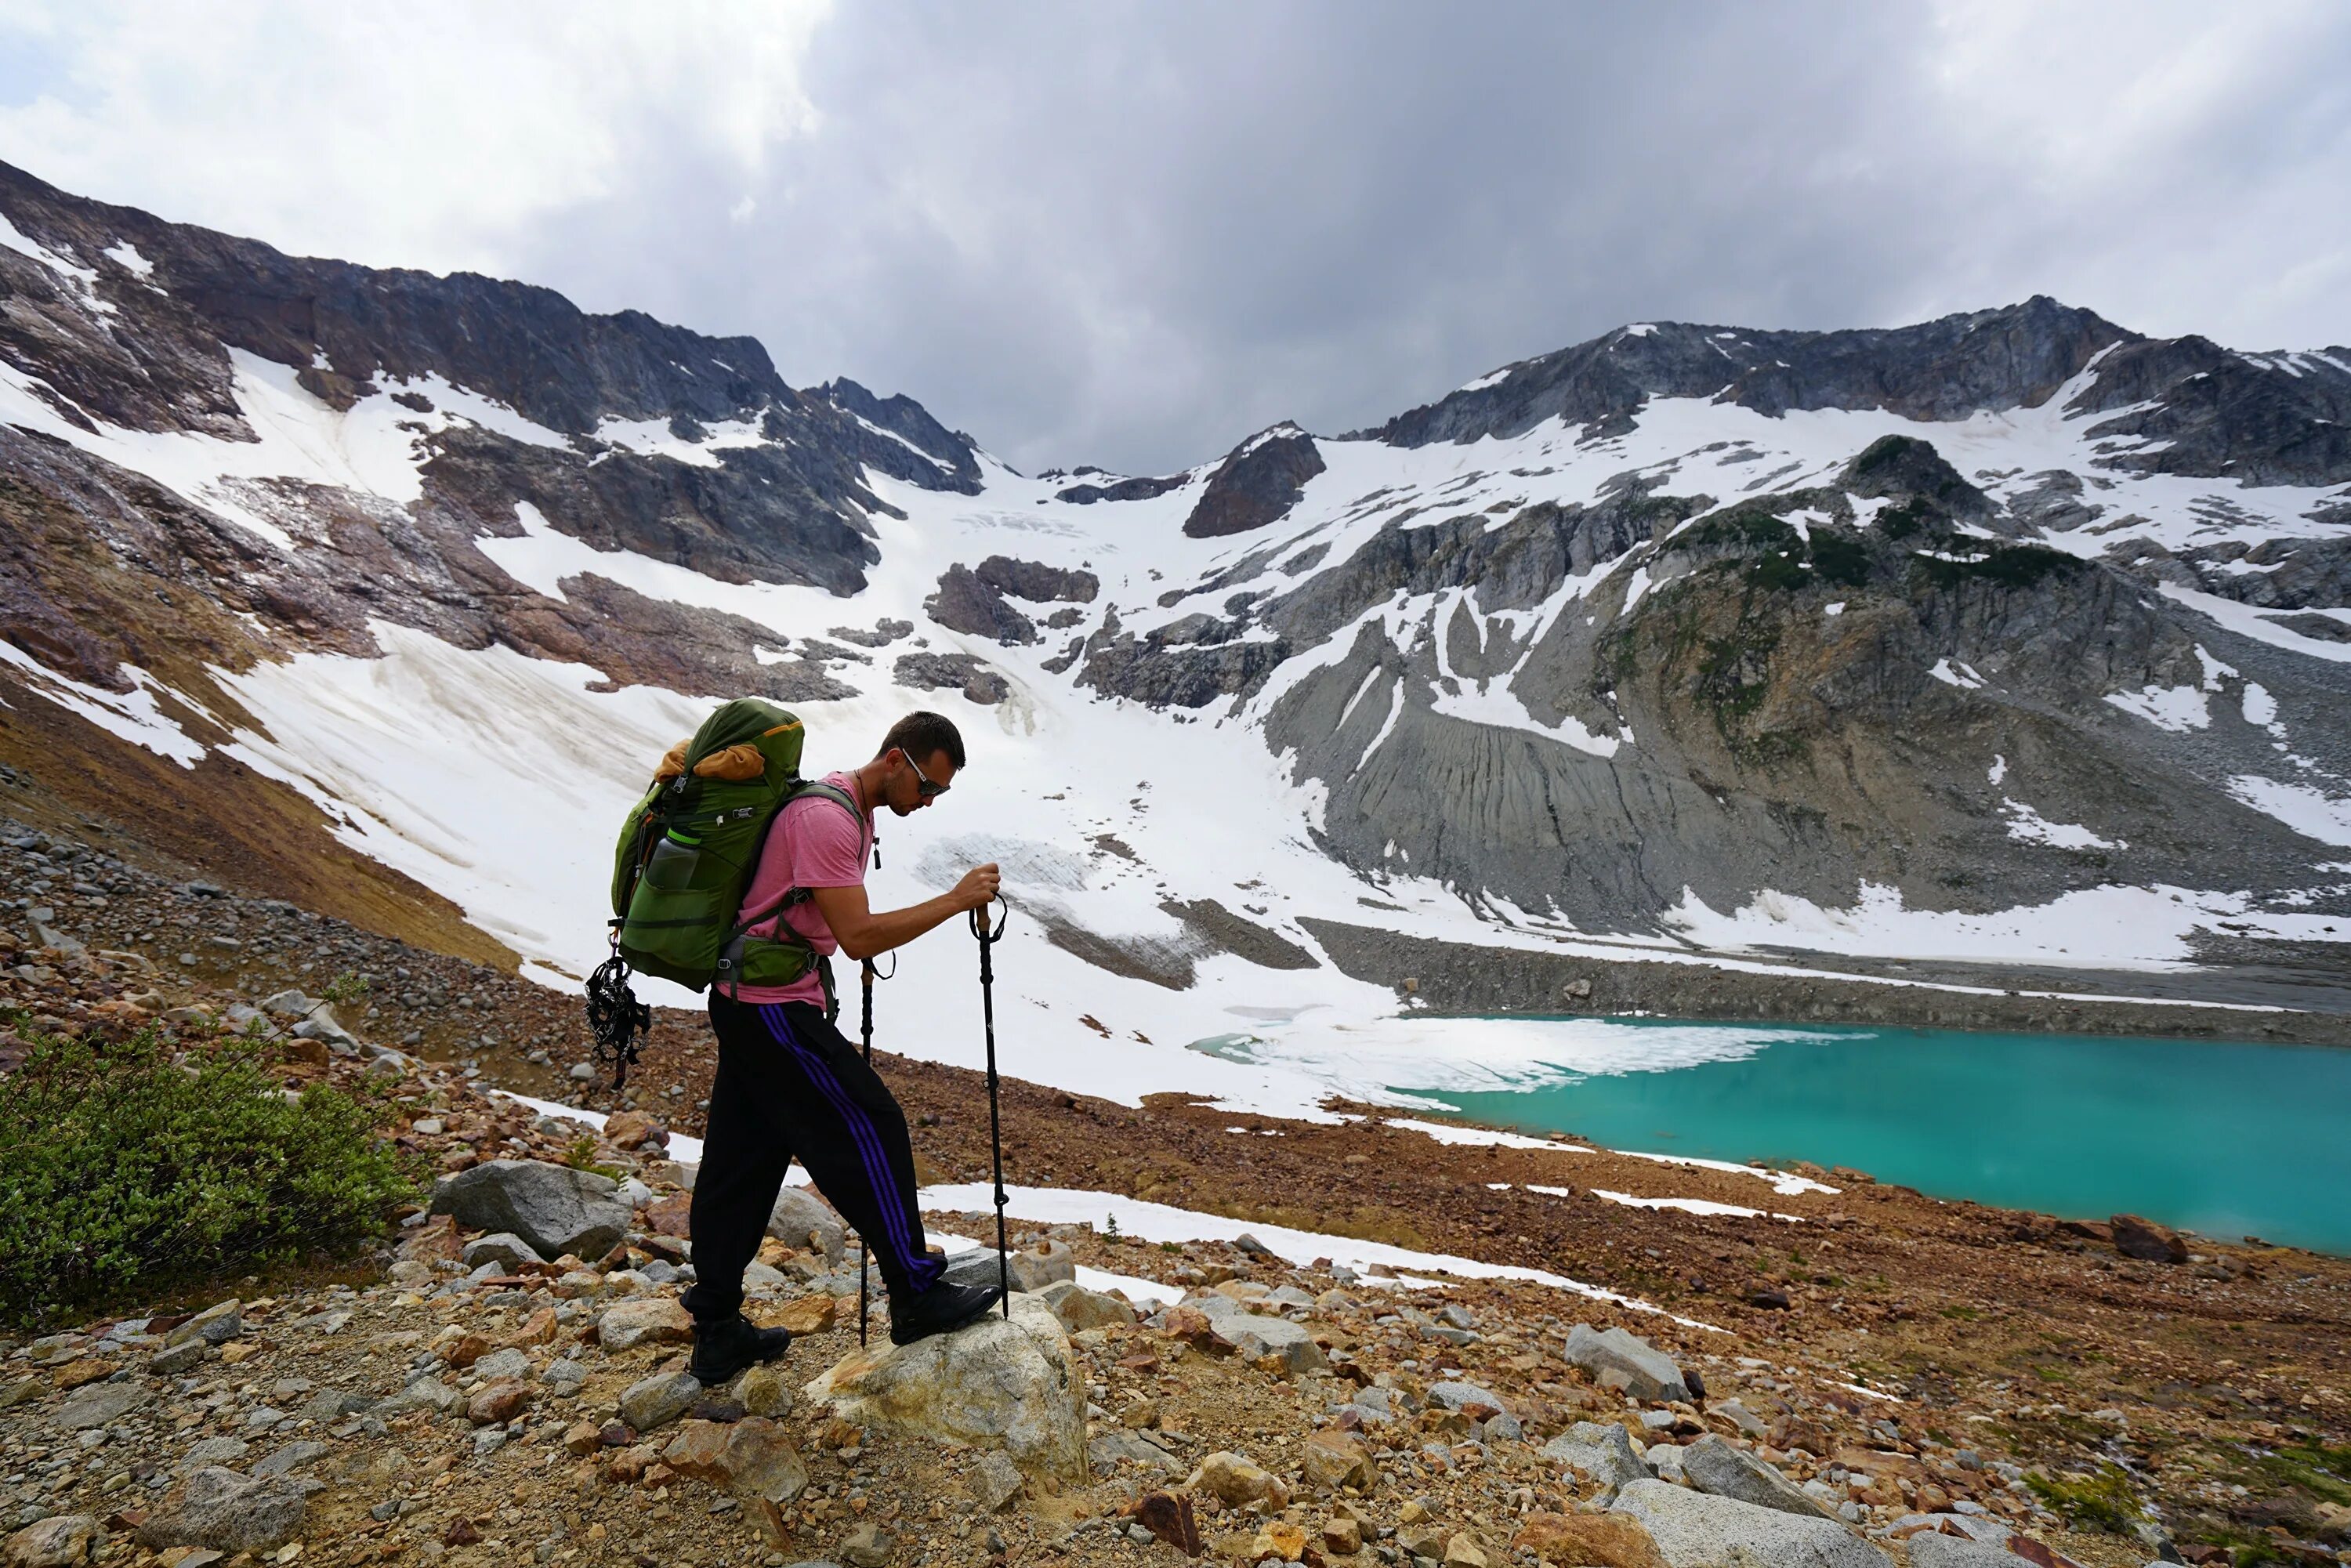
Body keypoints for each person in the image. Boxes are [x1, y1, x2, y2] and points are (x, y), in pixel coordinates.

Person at [679, 709, 1003, 1383]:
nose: (929, 802)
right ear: (894, 760)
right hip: (770, 1008)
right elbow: (858, 934)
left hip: (753, 998)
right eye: (927, 786)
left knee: (743, 1160)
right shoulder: (829, 817)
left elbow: (816, 914)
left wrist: (820, 943)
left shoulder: (847, 808)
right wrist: (954, 899)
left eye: (939, 793)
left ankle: (716, 1331)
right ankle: (914, 1292)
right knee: (873, 1122)